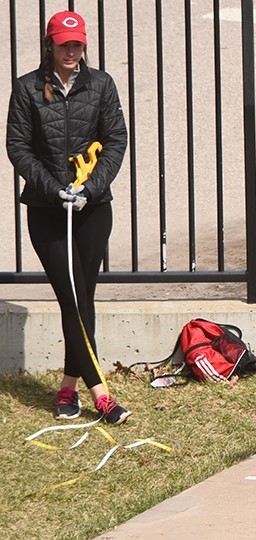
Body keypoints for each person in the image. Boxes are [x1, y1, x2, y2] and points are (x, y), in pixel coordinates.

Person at [6, 11, 131, 424]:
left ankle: (67, 387)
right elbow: (18, 147)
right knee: (69, 296)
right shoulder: (26, 88)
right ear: (50, 45)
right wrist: (52, 189)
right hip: (46, 210)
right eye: (65, 45)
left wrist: (89, 188)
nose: (72, 52)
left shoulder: (101, 84)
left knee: (84, 297)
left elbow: (116, 140)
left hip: (92, 209)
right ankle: (101, 393)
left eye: (78, 45)